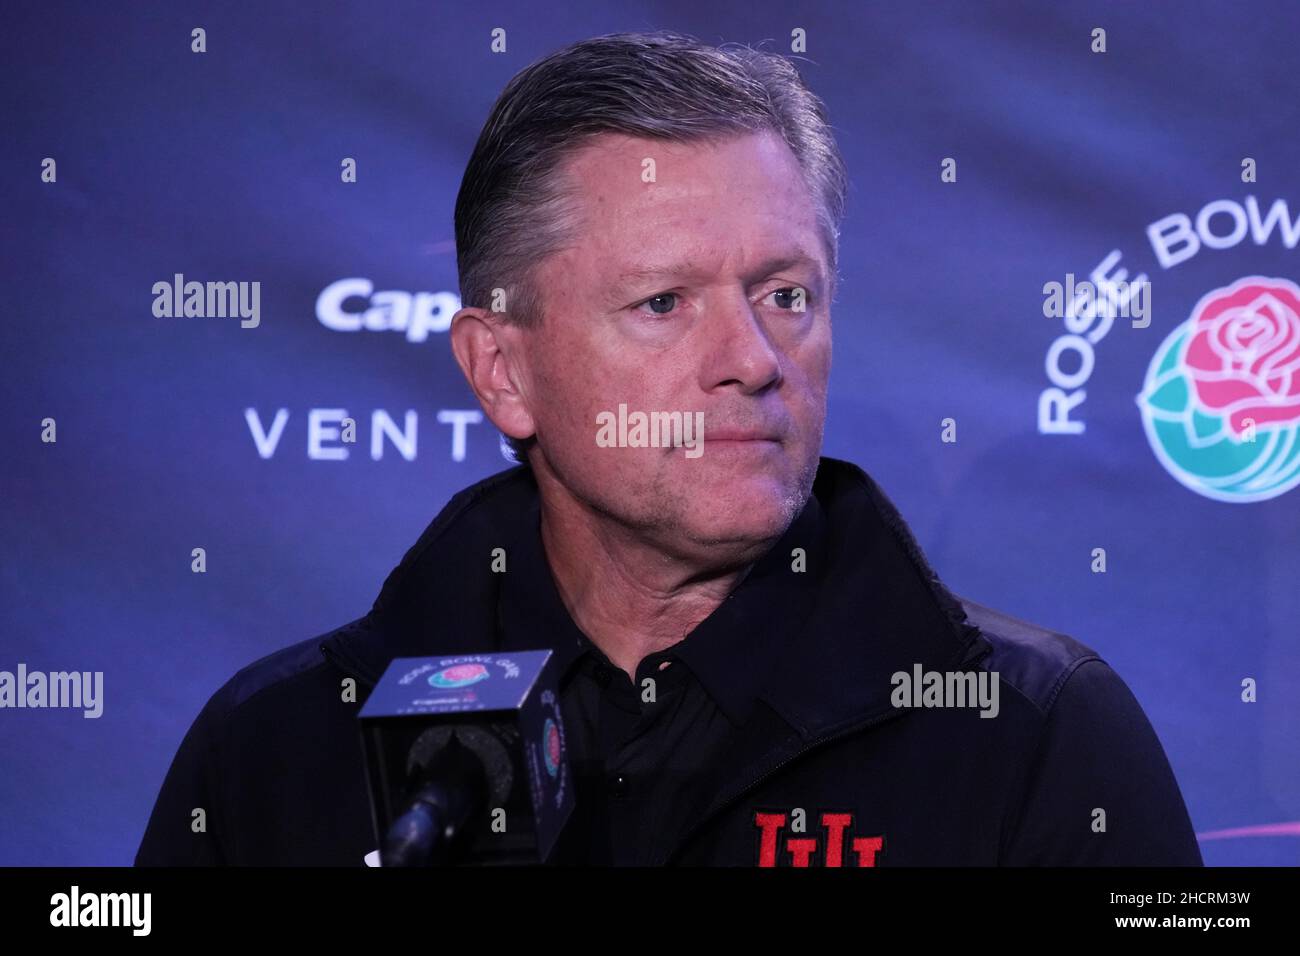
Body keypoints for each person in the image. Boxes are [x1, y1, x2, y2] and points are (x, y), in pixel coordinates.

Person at [136, 30, 1202, 866]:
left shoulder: (1034, 733)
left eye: (786, 295)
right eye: (662, 302)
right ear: (502, 371)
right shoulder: (277, 749)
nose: (750, 358)